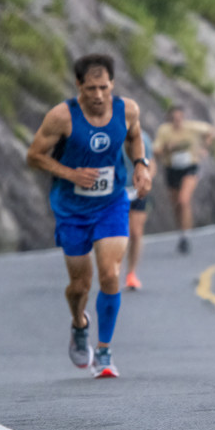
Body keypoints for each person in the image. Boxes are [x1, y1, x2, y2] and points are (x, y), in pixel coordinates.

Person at [25, 53, 150, 378]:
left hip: (111, 203)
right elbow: (34, 156)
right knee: (80, 285)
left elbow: (135, 137)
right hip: (71, 209)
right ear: (78, 84)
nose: (98, 95)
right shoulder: (62, 117)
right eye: (91, 88)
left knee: (110, 274)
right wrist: (69, 173)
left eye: (104, 87)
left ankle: (105, 353)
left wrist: (141, 165)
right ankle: (80, 324)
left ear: (113, 84)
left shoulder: (128, 110)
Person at [153, 104, 215, 254]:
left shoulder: (192, 127)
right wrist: (168, 147)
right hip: (172, 168)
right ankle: (182, 233)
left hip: (190, 167)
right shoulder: (164, 131)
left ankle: (186, 236)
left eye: (180, 118)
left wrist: (204, 147)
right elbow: (156, 150)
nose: (178, 121)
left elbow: (211, 131)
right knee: (176, 205)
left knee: (184, 200)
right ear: (170, 119)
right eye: (174, 119)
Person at [122, 129, 153, 291]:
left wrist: (146, 182)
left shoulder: (143, 139)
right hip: (117, 190)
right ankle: (111, 270)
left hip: (137, 190)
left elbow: (150, 163)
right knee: (119, 233)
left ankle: (131, 273)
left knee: (135, 232)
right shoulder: (112, 134)